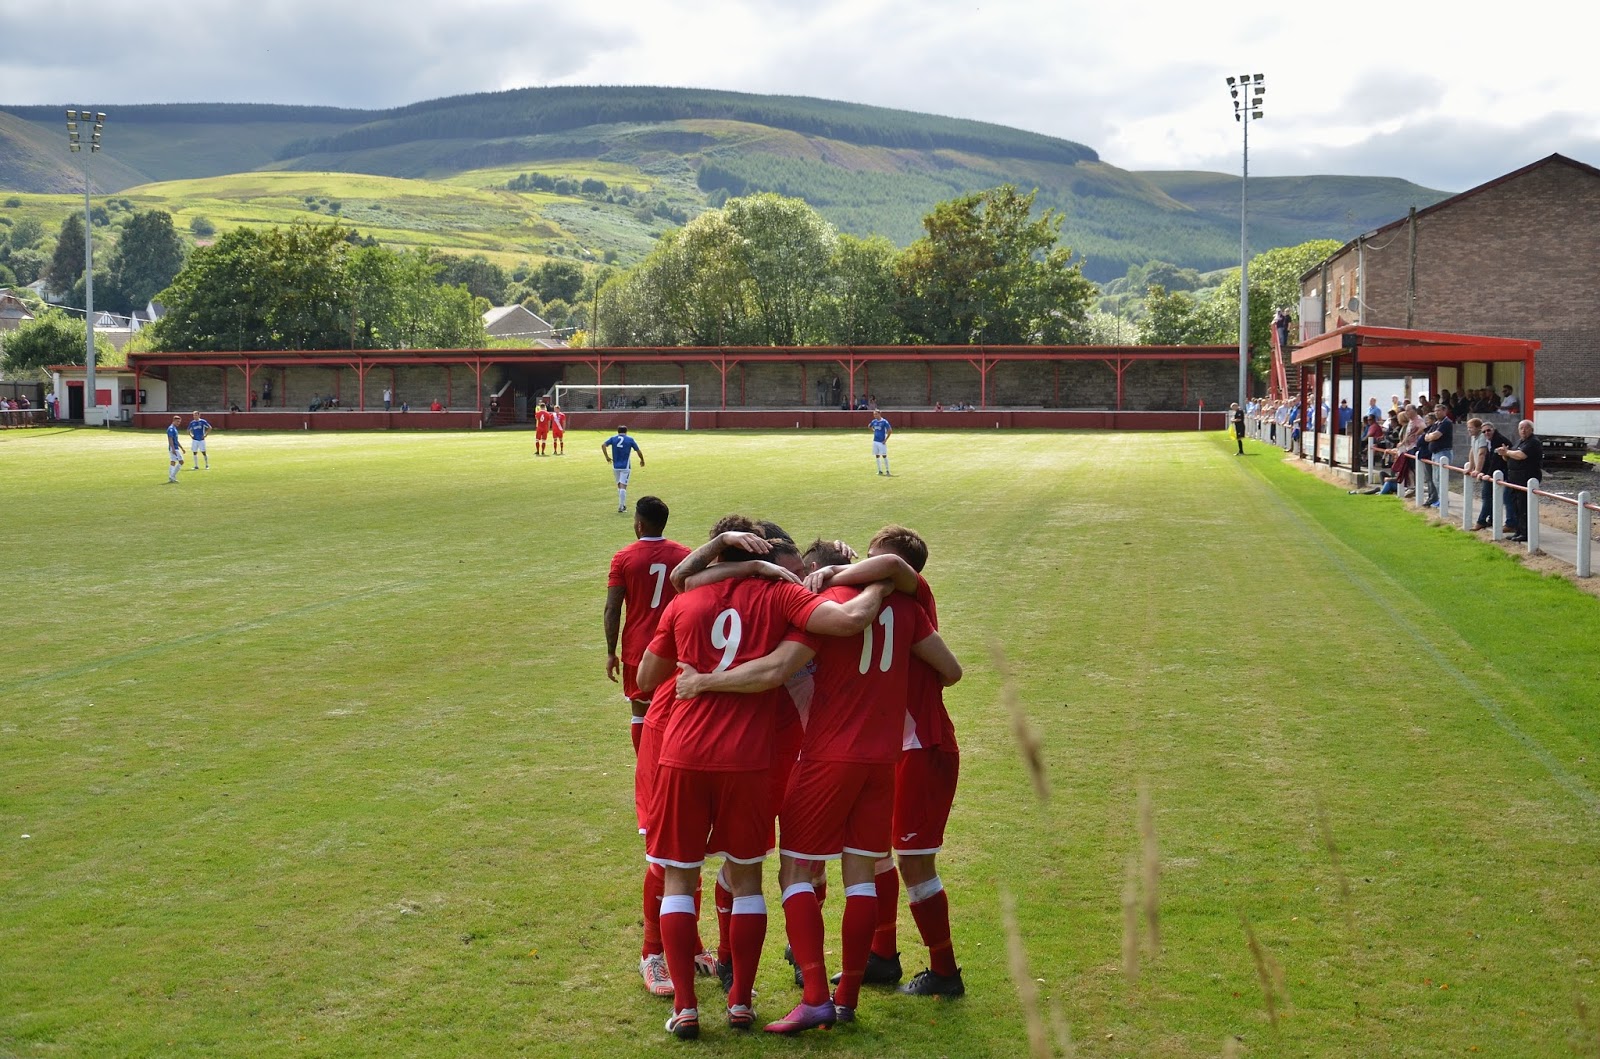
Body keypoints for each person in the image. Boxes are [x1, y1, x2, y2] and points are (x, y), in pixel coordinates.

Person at [675, 547, 961, 1033]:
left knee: (794, 874)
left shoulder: (821, 612)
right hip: (884, 759)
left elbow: (774, 670)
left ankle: (814, 996)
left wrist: (703, 682)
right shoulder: (907, 608)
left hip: (829, 755)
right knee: (863, 876)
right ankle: (846, 998)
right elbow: (951, 671)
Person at [634, 528, 891, 1040]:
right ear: (771, 561)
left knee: (678, 876)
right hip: (752, 758)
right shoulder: (782, 598)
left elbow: (645, 677)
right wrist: (886, 574)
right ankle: (741, 1001)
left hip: (681, 748)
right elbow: (834, 628)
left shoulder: (687, 600)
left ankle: (685, 1005)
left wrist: (701, 678)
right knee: (749, 877)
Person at [605, 496, 699, 996]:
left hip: (648, 653)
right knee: (676, 850)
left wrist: (609, 650)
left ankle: (685, 947)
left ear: (639, 521)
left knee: (693, 849)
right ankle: (656, 953)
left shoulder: (625, 557)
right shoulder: (686, 558)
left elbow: (613, 605)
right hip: (673, 662)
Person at [1498, 419, 1543, 541]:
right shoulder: (1519, 442)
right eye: (1521, 428)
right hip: (1514, 478)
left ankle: (1525, 533)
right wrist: (1504, 453)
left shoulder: (1533, 442)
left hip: (1526, 478)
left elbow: (1521, 455)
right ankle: (1518, 530)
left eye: (1526, 428)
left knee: (1524, 507)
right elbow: (1511, 457)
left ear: (1531, 429)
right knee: (1516, 506)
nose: (1523, 430)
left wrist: (1508, 452)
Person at [602, 425, 644, 513]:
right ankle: (621, 506)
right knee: (623, 486)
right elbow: (638, 450)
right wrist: (642, 460)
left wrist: (607, 457)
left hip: (615, 466)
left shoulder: (613, 438)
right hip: (625, 466)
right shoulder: (630, 439)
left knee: (619, 485)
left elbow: (603, 445)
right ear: (626, 431)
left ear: (618, 431)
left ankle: (622, 504)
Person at [1421, 403, 1454, 508]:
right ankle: (1440, 499)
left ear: (1445, 411)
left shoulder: (1446, 423)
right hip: (1435, 453)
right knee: (1435, 479)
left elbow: (1436, 435)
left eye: (1439, 410)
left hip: (1443, 452)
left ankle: (1444, 500)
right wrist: (1431, 436)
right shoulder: (1436, 423)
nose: (1436, 412)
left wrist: (1431, 436)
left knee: (1441, 478)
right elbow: (1426, 437)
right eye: (1435, 410)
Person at [165, 415, 185, 483]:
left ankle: (171, 477)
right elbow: (170, 439)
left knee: (173, 462)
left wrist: (182, 448)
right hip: (174, 448)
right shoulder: (171, 429)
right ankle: (172, 476)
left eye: (179, 422)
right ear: (173, 421)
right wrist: (173, 448)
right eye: (177, 421)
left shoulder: (174, 429)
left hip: (175, 447)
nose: (178, 423)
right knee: (181, 461)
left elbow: (176, 440)